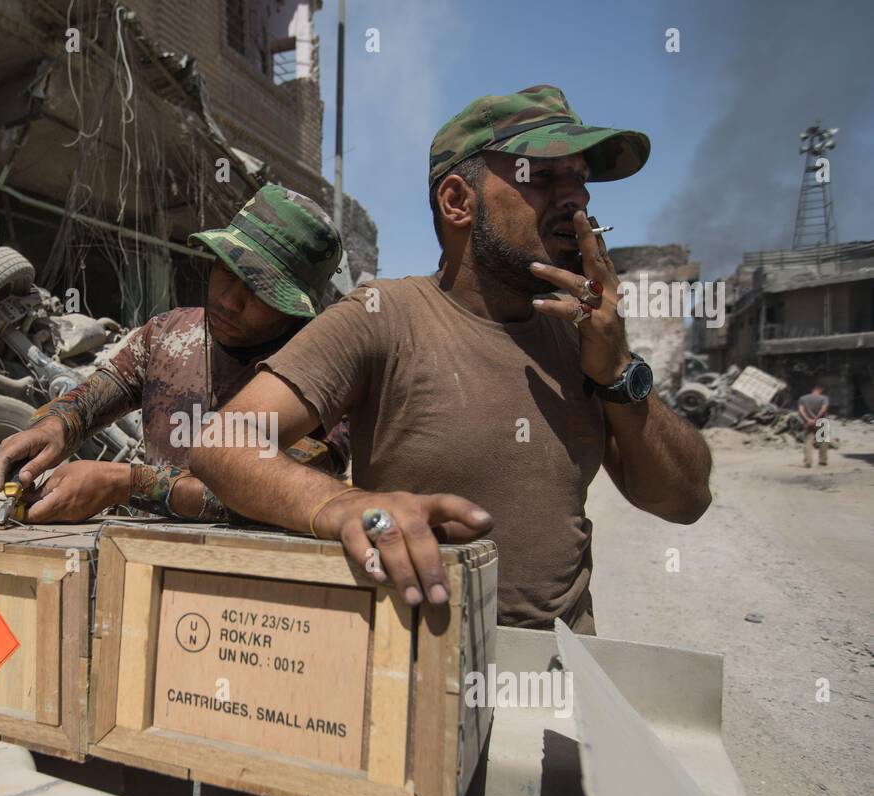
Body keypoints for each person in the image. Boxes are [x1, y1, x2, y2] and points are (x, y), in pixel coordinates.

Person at [192, 85, 713, 634]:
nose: (575, 200)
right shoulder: (382, 315)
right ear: (458, 201)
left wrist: (618, 371)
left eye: (579, 180)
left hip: (561, 675)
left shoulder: (582, 338)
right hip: (418, 672)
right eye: (542, 176)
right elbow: (224, 443)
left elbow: (685, 501)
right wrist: (342, 506)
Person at [0, 184, 347, 520]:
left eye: (260, 291)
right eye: (227, 270)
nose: (228, 300)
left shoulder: (322, 376)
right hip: (139, 564)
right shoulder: (167, 334)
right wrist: (55, 426)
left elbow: (284, 496)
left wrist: (123, 484)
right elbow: (94, 397)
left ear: (294, 306)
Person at [798, 385, 829, 467]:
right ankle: (823, 460)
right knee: (823, 441)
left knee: (808, 441)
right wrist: (816, 419)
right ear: (820, 390)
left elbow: (801, 410)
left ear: (813, 390)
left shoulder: (803, 398)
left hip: (808, 422)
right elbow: (823, 409)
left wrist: (808, 419)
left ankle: (808, 461)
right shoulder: (824, 398)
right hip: (822, 421)